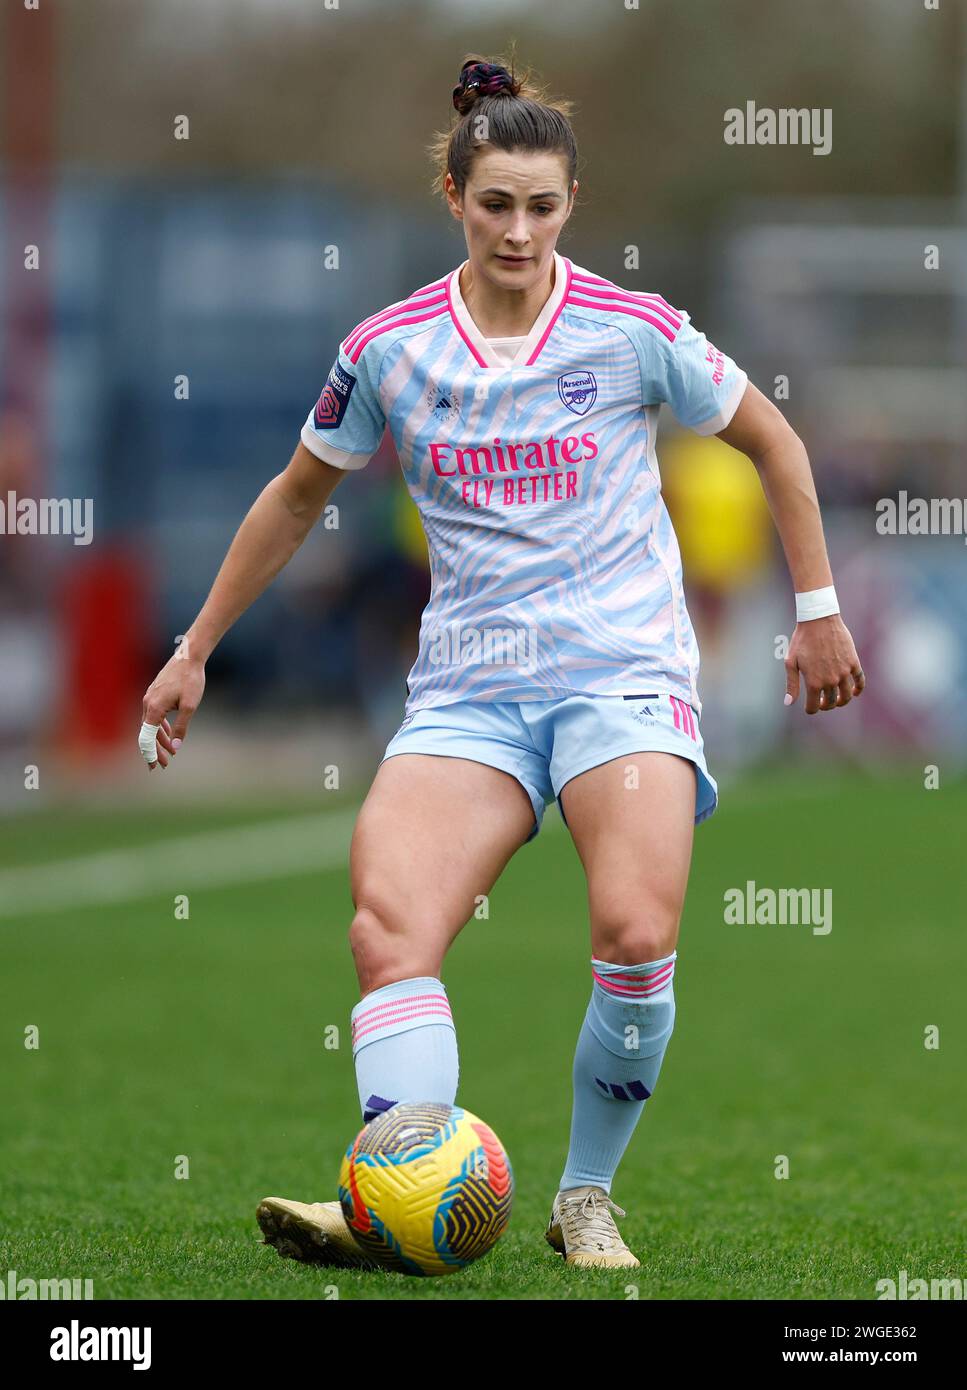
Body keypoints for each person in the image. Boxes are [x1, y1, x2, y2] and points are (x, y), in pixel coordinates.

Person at [139, 55, 865, 1271]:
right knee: (388, 929)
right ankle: (396, 1186)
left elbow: (773, 440)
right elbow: (293, 493)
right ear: (454, 197)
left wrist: (820, 606)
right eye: (494, 204)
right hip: (469, 690)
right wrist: (195, 646)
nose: (517, 228)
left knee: (635, 934)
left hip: (621, 674)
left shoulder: (633, 330)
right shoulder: (389, 350)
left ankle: (585, 1195)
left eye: (540, 205)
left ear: (570, 203)